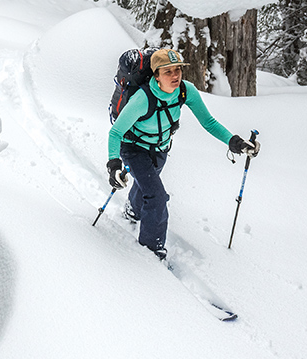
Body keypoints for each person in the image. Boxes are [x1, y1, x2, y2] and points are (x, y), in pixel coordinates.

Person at [106, 49, 258, 260]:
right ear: (156, 75)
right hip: (134, 149)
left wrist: (235, 142)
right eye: (167, 71)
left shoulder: (186, 91)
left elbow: (208, 122)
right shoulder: (142, 98)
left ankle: (132, 211)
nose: (175, 75)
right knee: (157, 197)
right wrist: (114, 165)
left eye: (177, 69)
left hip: (160, 149)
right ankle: (152, 251)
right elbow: (116, 133)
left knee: (147, 185)